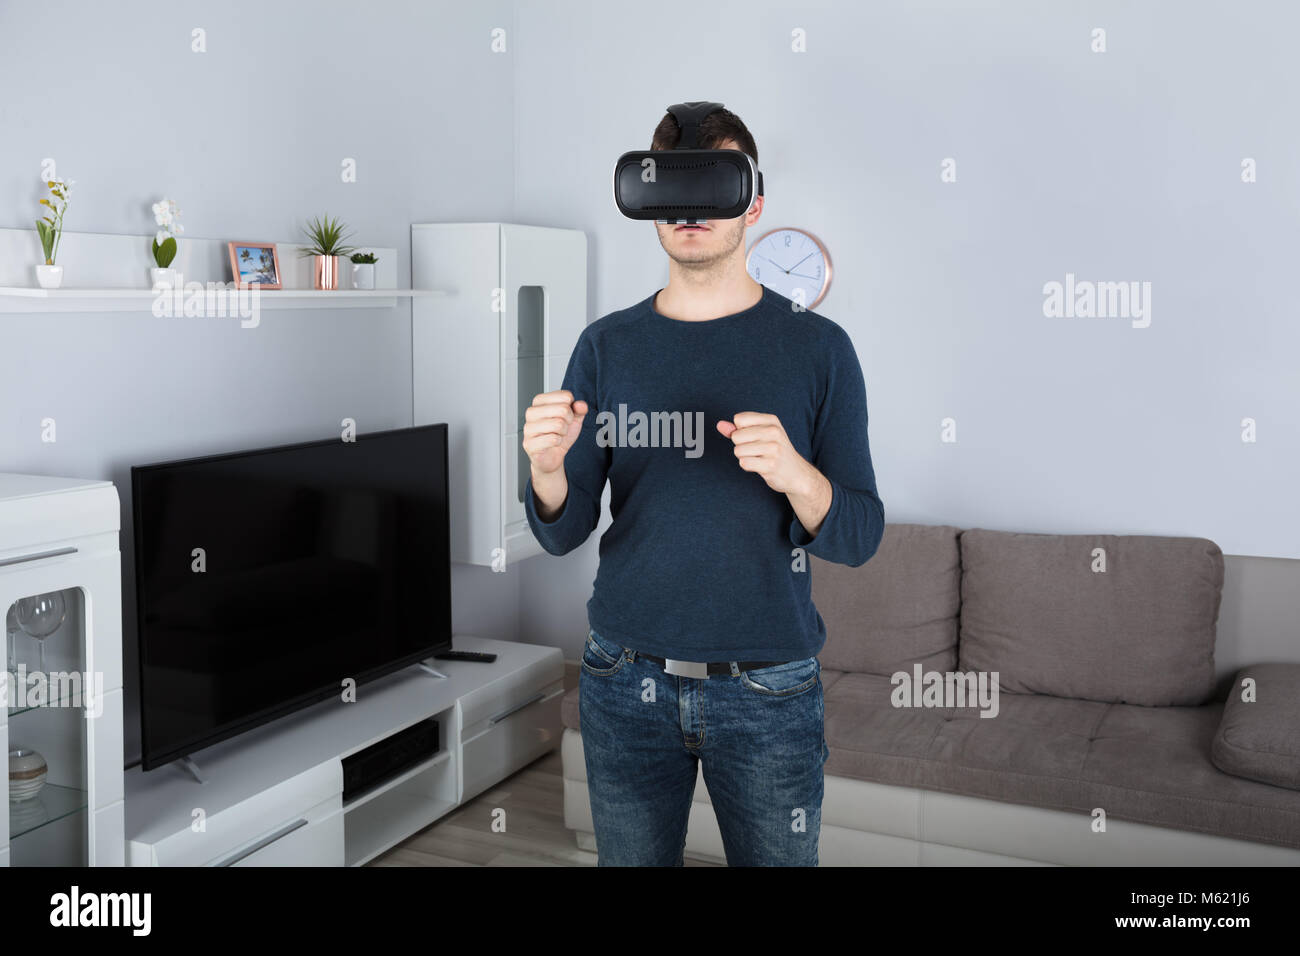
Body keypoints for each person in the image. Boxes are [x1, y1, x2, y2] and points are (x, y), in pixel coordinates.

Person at [522, 105, 885, 866]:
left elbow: (859, 535)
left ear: (753, 200)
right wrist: (548, 471)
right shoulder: (606, 346)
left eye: (712, 185)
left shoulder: (820, 350)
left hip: (770, 691)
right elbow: (562, 531)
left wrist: (795, 475)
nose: (690, 211)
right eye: (669, 187)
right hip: (622, 680)